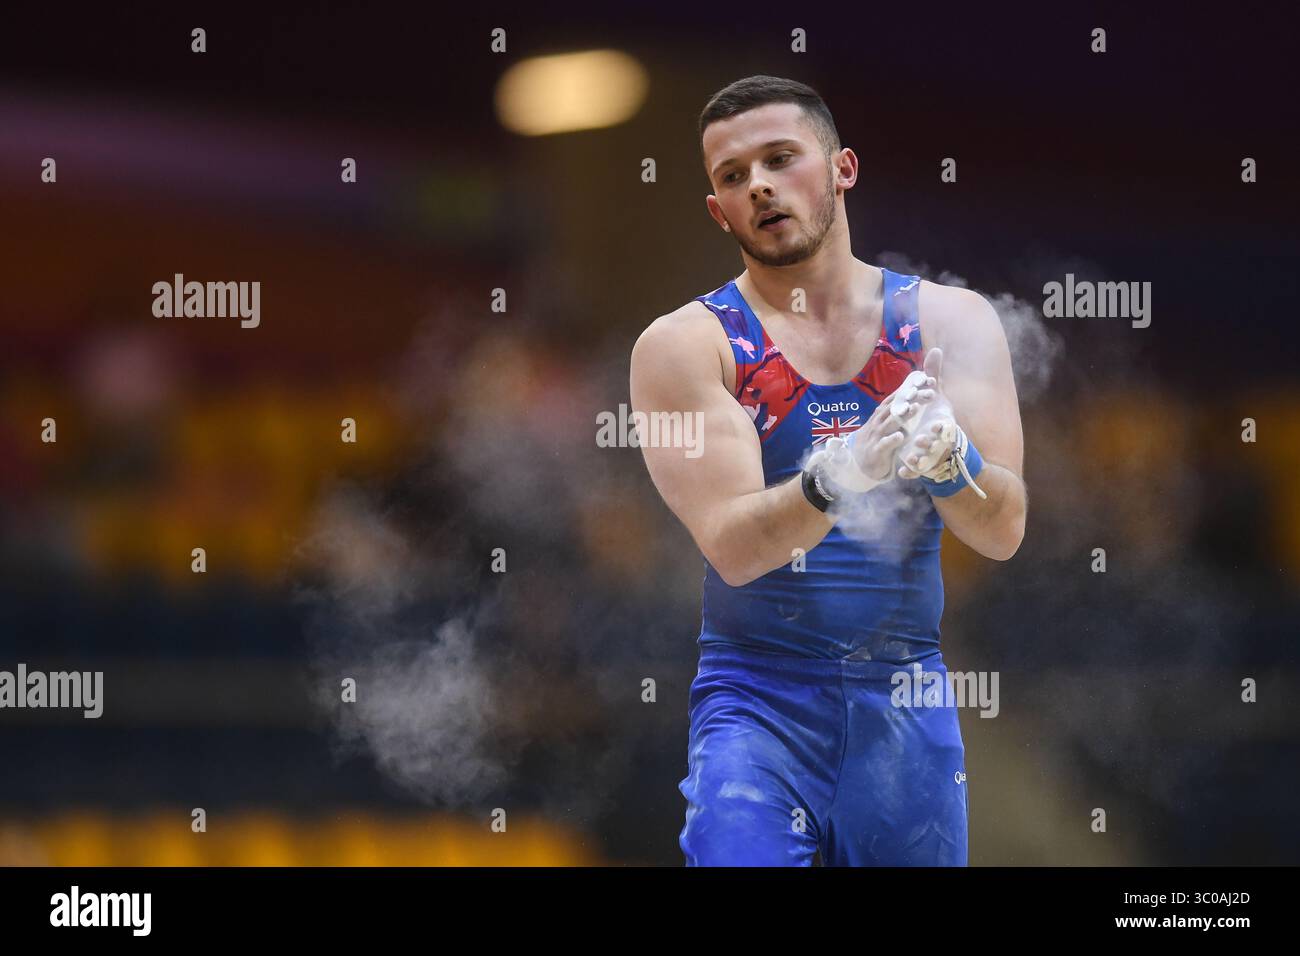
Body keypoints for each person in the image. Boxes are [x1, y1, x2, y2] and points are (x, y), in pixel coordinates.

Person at [628, 75, 1026, 865]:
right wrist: (837, 475)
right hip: (758, 708)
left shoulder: (950, 321)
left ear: (843, 168)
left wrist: (953, 460)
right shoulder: (688, 346)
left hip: (905, 705)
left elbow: (1003, 529)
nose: (760, 187)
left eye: (781, 159)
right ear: (717, 210)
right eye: (733, 177)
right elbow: (736, 551)